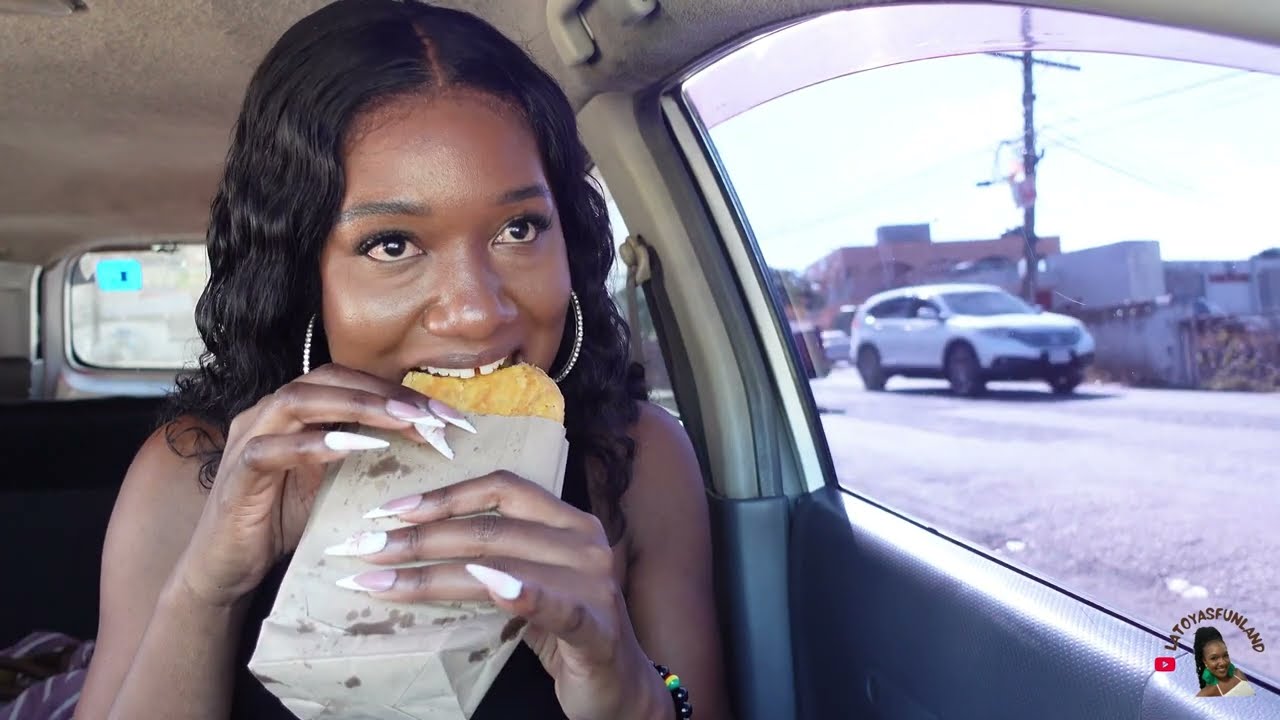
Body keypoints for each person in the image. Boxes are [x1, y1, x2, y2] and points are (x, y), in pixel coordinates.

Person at [72, 1, 727, 718]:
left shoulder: (635, 461)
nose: (477, 311)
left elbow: (689, 698)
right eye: (392, 245)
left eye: (519, 228)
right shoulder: (192, 474)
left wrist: (631, 690)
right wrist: (207, 590)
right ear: (303, 275)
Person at [1194, 626, 1254, 697]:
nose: (1223, 663)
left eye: (1225, 655)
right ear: (1205, 661)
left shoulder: (1239, 674)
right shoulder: (1205, 695)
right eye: (1214, 658)